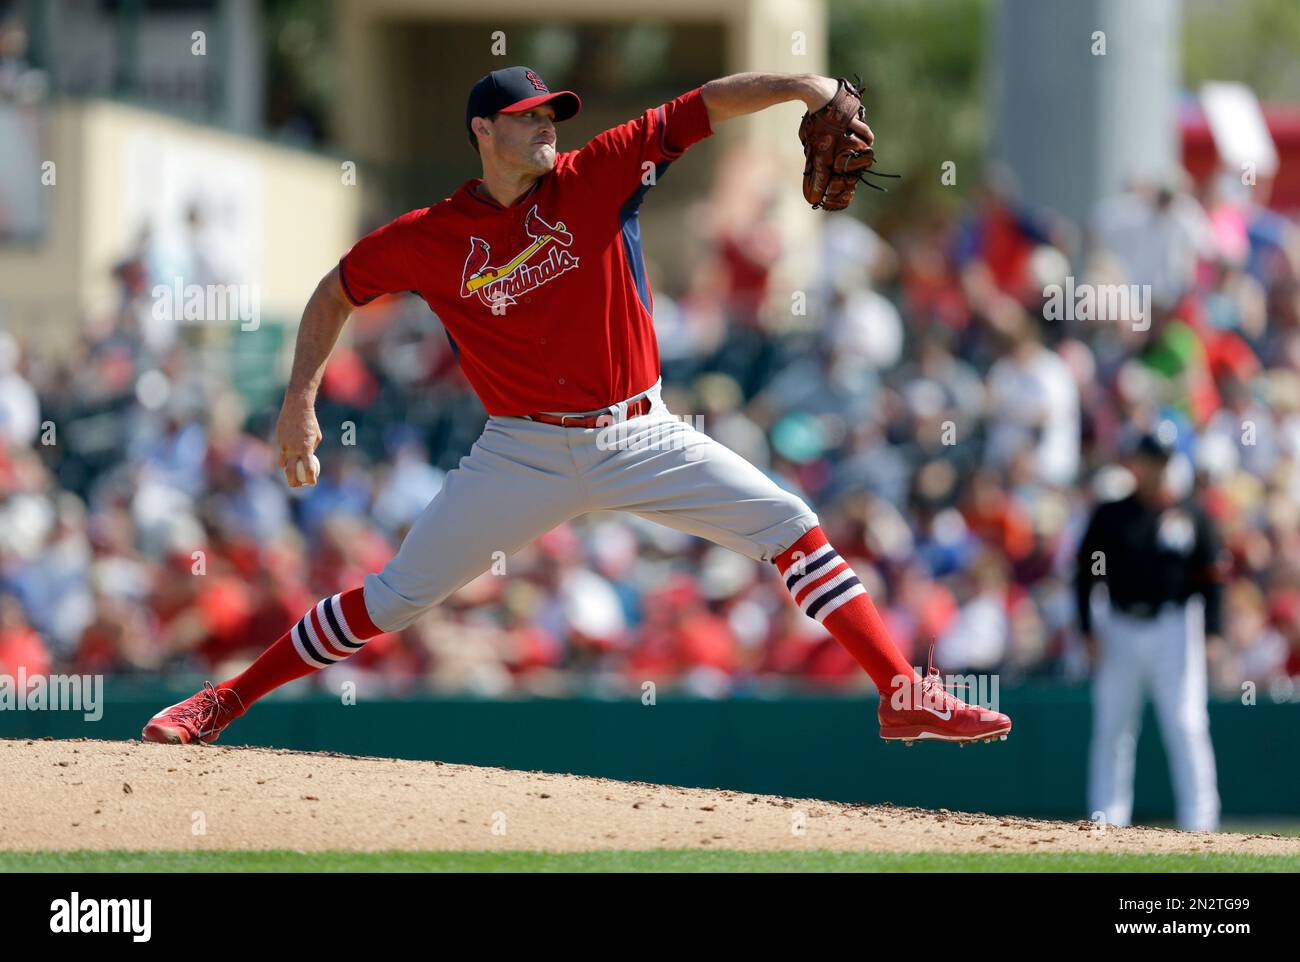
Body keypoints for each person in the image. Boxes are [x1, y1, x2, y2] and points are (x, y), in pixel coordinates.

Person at [142, 66, 1011, 748]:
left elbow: (703, 105)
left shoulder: (597, 173)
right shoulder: (428, 236)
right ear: (484, 131)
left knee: (790, 521)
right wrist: (300, 399)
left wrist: (805, 88)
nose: (546, 126)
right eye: (527, 116)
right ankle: (225, 700)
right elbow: (335, 290)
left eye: (551, 114)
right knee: (396, 597)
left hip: (643, 432)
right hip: (521, 451)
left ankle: (901, 692)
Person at [1075, 425, 1225, 831]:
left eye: (1161, 459)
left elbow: (1212, 578)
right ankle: (1107, 818)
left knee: (1186, 723)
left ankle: (1201, 823)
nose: (1154, 468)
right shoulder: (1112, 514)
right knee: (1114, 726)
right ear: (1136, 463)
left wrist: (1213, 633)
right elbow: (1086, 573)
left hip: (1175, 625)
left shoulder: (1192, 514)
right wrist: (1087, 628)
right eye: (1148, 459)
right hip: (1119, 624)